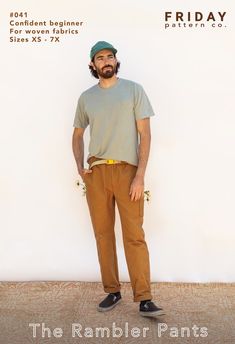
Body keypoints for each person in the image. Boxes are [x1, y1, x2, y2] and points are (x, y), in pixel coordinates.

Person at [72, 41, 164, 317]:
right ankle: (112, 291)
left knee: (134, 235)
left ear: (116, 60)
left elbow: (145, 135)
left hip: (127, 172)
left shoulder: (133, 90)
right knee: (103, 234)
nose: (106, 61)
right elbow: (77, 135)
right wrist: (79, 167)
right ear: (93, 65)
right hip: (96, 172)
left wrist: (140, 176)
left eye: (110, 56)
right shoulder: (86, 98)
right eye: (100, 58)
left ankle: (144, 297)